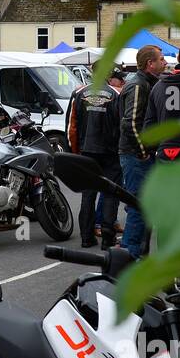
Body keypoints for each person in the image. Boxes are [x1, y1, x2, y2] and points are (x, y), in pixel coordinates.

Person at [118, 45, 167, 259]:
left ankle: (137, 254)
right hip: (135, 155)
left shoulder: (147, 83)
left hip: (138, 154)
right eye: (162, 59)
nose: (165, 63)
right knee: (138, 206)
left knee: (144, 206)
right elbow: (130, 123)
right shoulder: (138, 85)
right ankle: (130, 257)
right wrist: (142, 151)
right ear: (150, 63)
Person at [72, 67, 125, 249]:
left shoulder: (79, 94)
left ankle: (86, 237)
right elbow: (121, 124)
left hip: (87, 151)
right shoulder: (115, 94)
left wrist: (76, 151)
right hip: (110, 152)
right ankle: (108, 239)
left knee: (88, 195)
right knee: (110, 194)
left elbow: (73, 127)